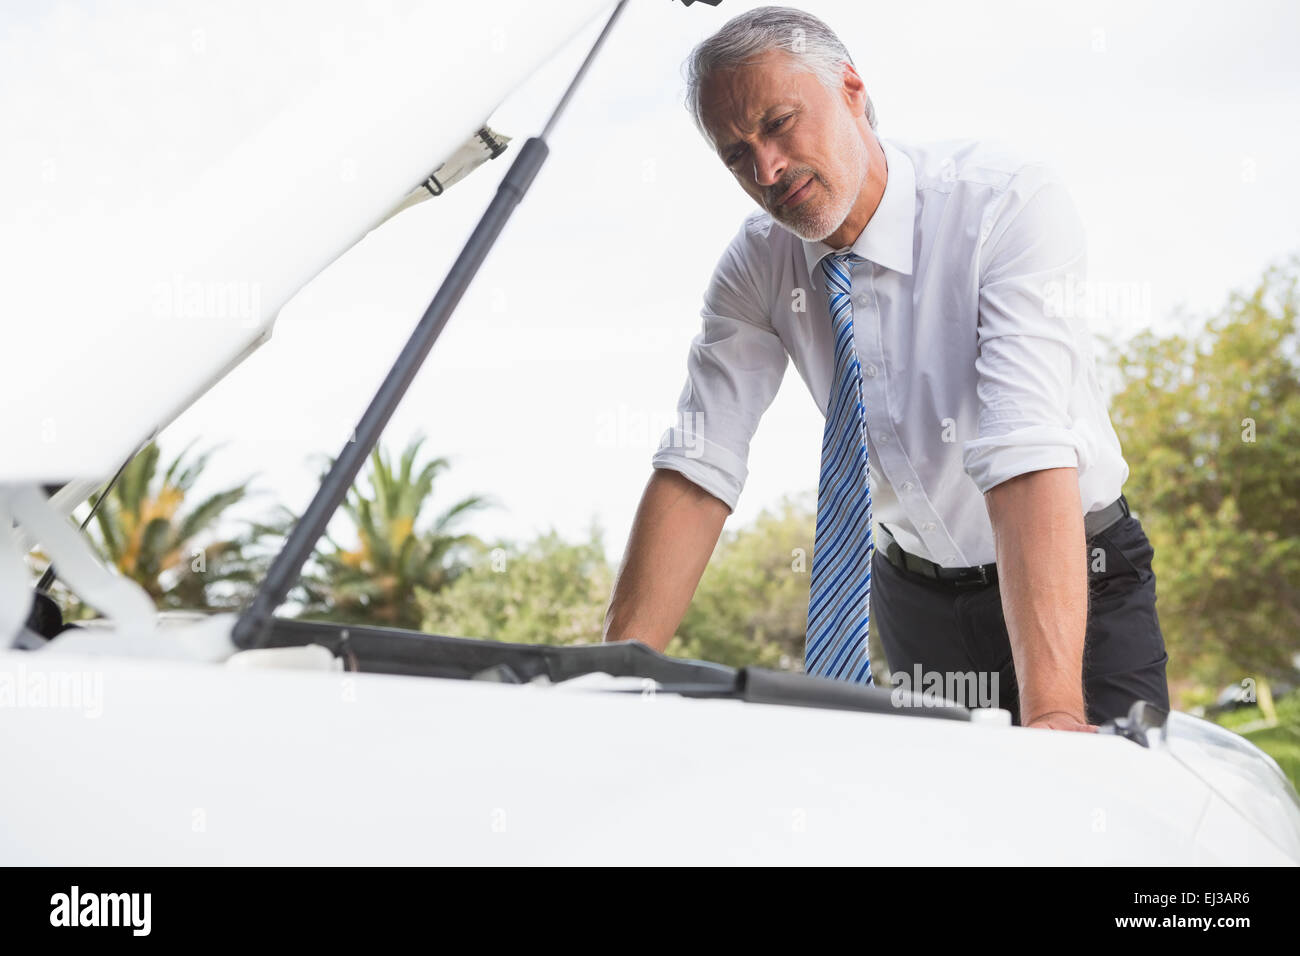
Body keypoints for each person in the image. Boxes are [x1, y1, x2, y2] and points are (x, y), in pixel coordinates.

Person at [602, 5, 1169, 732]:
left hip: (1078, 580)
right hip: (915, 601)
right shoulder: (756, 266)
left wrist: (1053, 712)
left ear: (851, 89)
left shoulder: (1004, 204)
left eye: (777, 122)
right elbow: (699, 466)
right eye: (737, 154)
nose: (766, 169)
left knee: (1090, 821)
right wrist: (610, 677)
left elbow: (1026, 446)